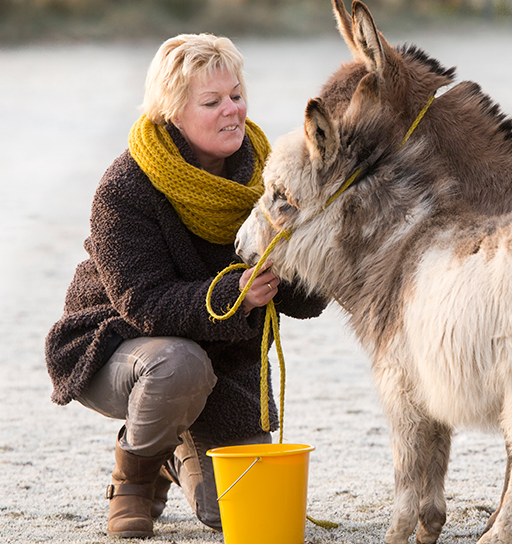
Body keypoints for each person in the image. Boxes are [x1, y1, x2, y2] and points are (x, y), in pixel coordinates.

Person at [45, 33, 327, 538]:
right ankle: (134, 478)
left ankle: (179, 448)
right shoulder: (124, 187)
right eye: (212, 101)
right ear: (172, 111)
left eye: (236, 95)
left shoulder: (271, 176)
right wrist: (233, 294)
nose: (232, 111)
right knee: (178, 365)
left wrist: (290, 275)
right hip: (114, 344)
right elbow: (144, 302)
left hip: (224, 364)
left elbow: (309, 301)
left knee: (231, 515)